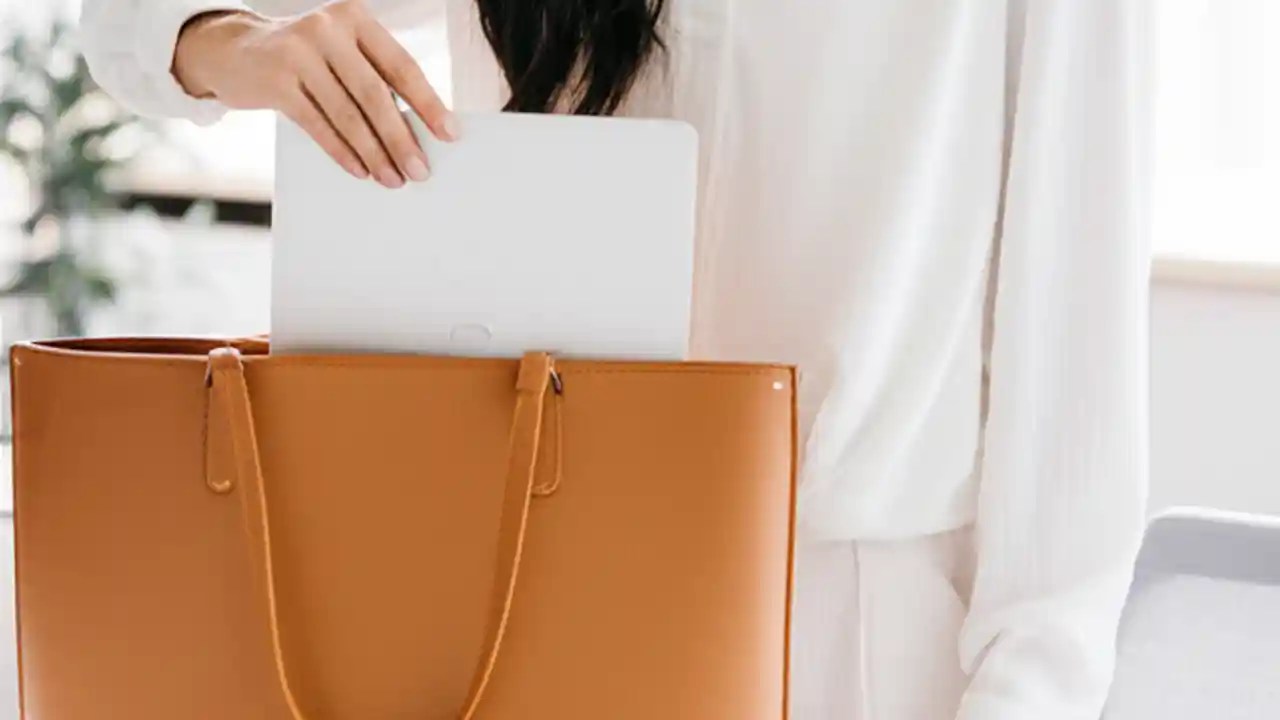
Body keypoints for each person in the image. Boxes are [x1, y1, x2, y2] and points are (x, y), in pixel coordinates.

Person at [80, 1, 1151, 718]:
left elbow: (1073, 340)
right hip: (510, 598)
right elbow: (121, 23)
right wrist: (228, 38)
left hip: (847, 640)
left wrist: (1028, 687)